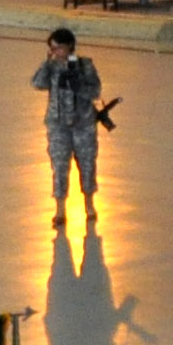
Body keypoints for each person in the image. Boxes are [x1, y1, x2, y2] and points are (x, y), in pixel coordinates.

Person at [31, 26, 107, 219]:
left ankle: (89, 205)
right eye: (52, 48)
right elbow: (37, 84)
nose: (56, 52)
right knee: (59, 166)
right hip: (58, 125)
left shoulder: (84, 65)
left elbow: (95, 91)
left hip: (83, 124)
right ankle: (60, 210)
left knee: (87, 164)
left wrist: (78, 84)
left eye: (59, 48)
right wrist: (47, 63)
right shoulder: (52, 66)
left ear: (69, 47)